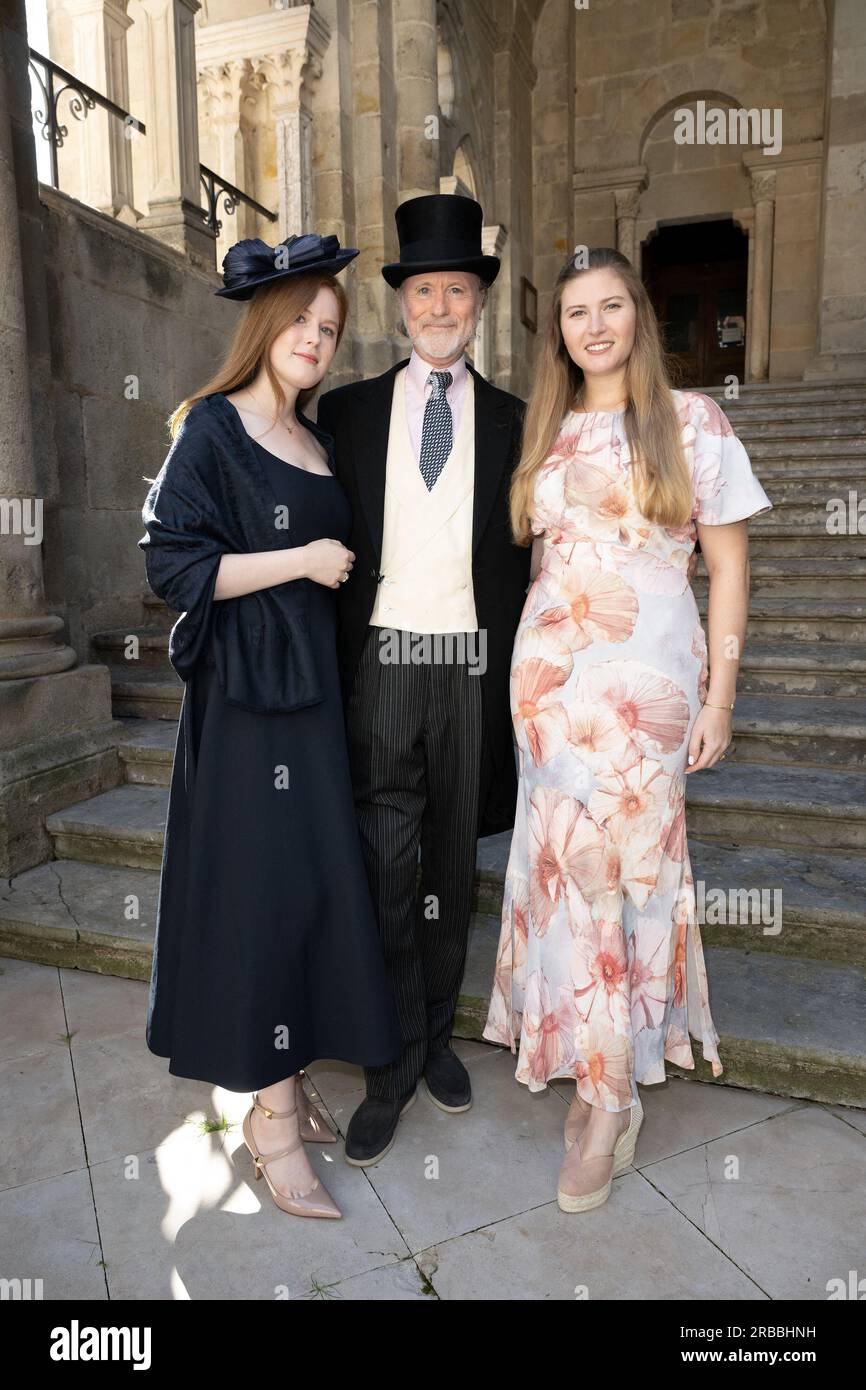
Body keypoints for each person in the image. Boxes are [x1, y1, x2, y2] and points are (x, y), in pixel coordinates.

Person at [483, 246, 772, 1213]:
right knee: (565, 875)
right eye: (575, 313)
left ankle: (610, 1100)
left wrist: (722, 697)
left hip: (647, 689)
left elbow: (728, 569)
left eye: (611, 307)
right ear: (558, 330)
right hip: (552, 692)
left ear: (638, 319)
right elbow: (543, 566)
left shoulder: (692, 423)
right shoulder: (548, 430)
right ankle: (584, 1059)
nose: (594, 326)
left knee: (627, 882)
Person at [139, 233, 402, 1221]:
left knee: (307, 893)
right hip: (248, 708)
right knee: (262, 898)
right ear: (262, 324)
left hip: (313, 703)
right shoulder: (211, 427)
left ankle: (290, 1080)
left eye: (329, 328)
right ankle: (271, 1119)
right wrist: (297, 561)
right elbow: (172, 568)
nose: (314, 338)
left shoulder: (316, 438)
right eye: (298, 320)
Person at [316, 194, 532, 1165]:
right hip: (384, 661)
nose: (440, 306)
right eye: (424, 290)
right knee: (383, 869)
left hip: (470, 667)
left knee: (449, 868)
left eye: (456, 289)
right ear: (400, 305)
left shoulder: (518, 421)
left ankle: (436, 1035)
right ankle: (388, 1058)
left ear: (476, 303)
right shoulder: (348, 411)